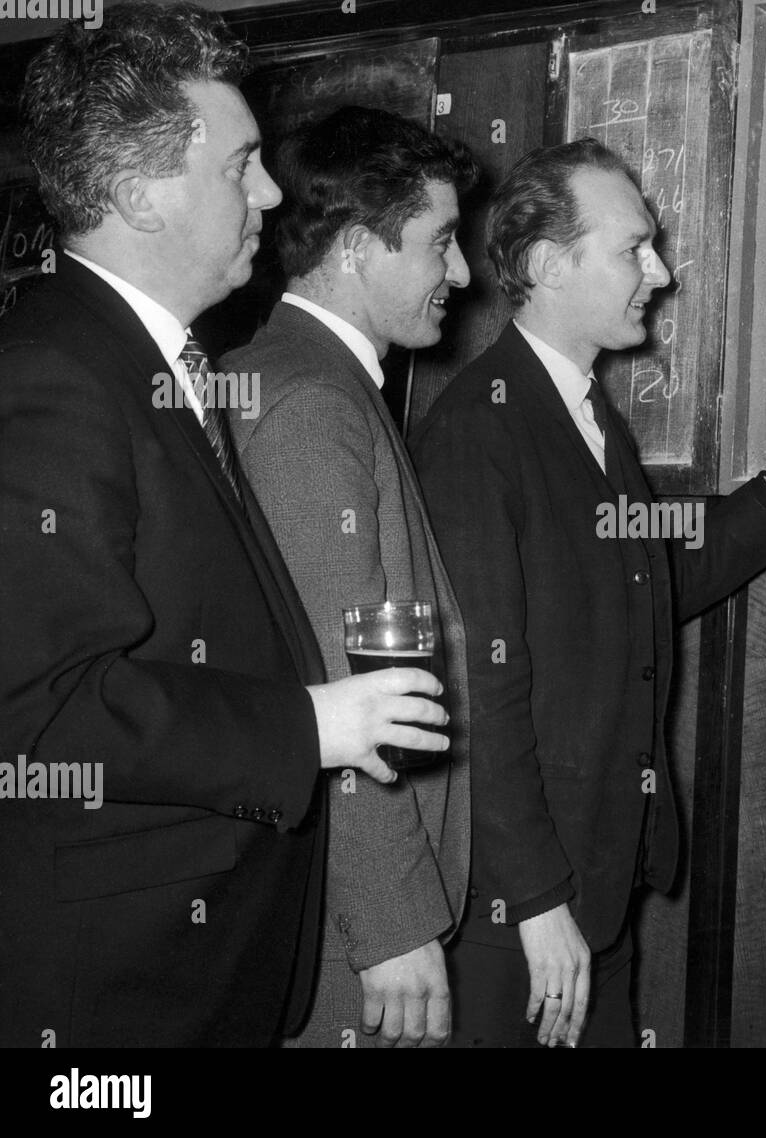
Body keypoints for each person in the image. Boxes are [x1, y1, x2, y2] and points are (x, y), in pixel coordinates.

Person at [0, 3, 448, 1048]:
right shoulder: (52, 377)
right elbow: (36, 710)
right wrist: (312, 725)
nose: (271, 192)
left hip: (190, 966)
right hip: (112, 990)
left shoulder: (143, 359)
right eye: (240, 164)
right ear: (140, 196)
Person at [410, 137, 766, 1047]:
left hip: (596, 875)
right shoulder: (478, 435)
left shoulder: (586, 414)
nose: (659, 273)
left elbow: (646, 579)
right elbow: (476, 694)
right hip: (526, 906)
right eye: (633, 248)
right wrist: (536, 899)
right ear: (549, 265)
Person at [224, 106, 477, 1049]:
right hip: (345, 927)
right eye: (441, 243)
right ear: (358, 249)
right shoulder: (311, 403)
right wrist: (395, 922)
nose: (460, 273)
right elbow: (344, 698)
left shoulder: (308, 378)